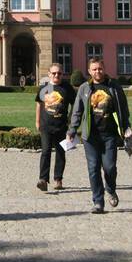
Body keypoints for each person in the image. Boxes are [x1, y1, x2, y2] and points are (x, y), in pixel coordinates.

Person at [68, 57, 132, 214]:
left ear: (104, 69)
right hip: (90, 136)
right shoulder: (85, 88)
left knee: (110, 167)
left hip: (109, 135)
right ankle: (98, 201)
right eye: (94, 69)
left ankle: (110, 189)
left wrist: (126, 127)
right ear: (89, 71)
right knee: (93, 168)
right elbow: (77, 110)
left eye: (100, 68)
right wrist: (72, 129)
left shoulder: (114, 87)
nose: (98, 71)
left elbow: (123, 109)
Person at [34, 63, 75, 193]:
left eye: (59, 73)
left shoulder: (67, 88)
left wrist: (70, 117)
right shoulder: (44, 88)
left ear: (62, 74)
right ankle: (43, 180)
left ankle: (58, 179)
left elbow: (76, 104)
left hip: (62, 126)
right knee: (45, 152)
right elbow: (39, 105)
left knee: (60, 153)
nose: (57, 75)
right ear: (49, 74)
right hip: (46, 125)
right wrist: (37, 121)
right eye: (54, 73)